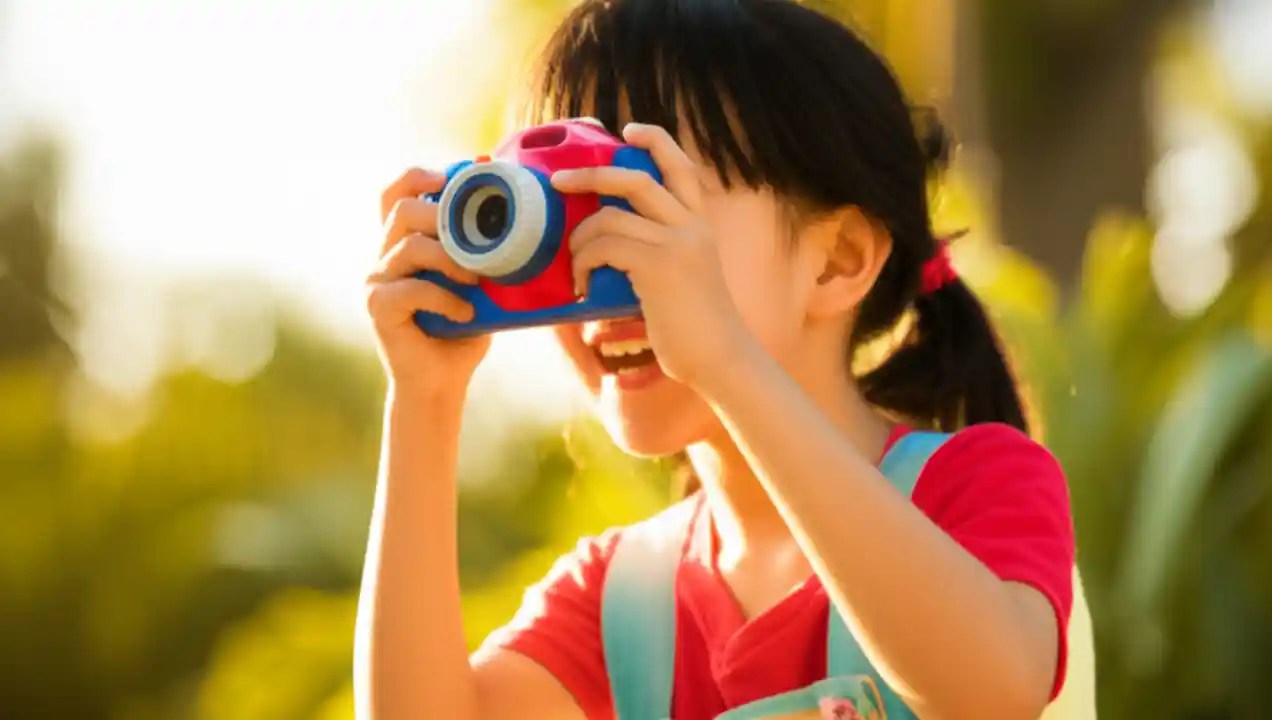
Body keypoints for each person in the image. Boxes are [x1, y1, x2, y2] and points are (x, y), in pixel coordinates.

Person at [355, 1, 1076, 718]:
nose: (599, 268)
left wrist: (724, 358)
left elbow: (989, 691)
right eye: (566, 212)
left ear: (838, 261)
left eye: (644, 199)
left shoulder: (974, 486)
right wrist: (424, 402)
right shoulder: (621, 602)